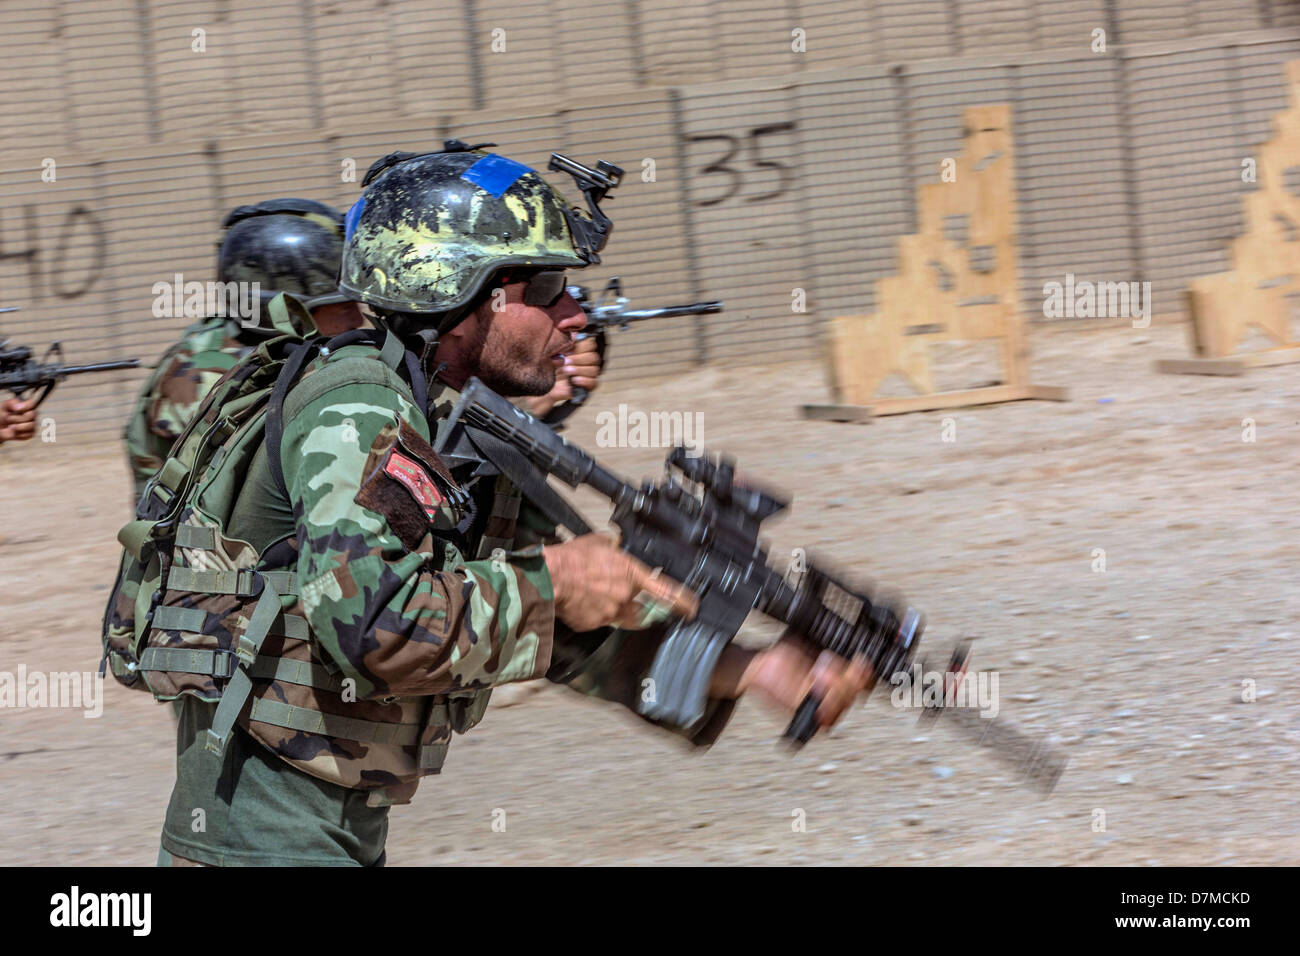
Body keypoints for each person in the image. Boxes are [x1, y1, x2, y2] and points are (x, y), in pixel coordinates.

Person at [153, 142, 871, 866]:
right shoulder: (356, 410)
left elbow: (568, 635)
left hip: (319, 836)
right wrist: (558, 579)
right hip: (255, 844)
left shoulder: (448, 426)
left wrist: (752, 669)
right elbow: (372, 624)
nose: (574, 316)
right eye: (547, 287)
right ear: (458, 294)